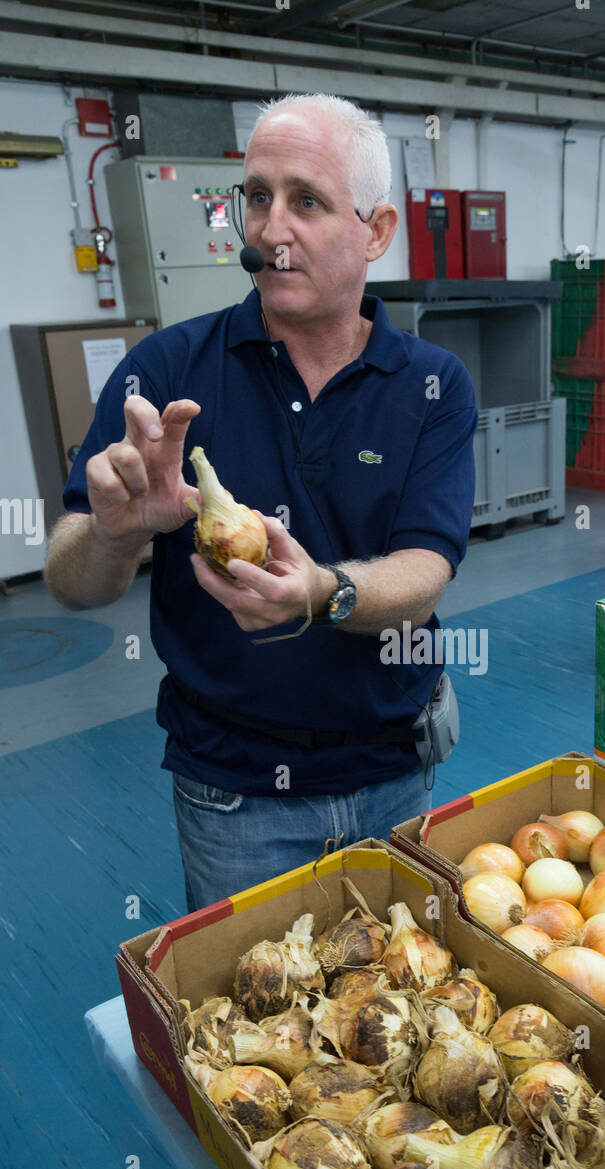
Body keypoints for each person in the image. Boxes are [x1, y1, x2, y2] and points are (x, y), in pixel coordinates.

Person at [44, 93, 477, 912]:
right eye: (255, 197)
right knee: (248, 1025)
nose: (269, 230)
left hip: (395, 774)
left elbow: (426, 568)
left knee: (391, 1016)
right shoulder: (167, 371)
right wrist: (112, 535)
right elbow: (73, 580)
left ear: (375, 231)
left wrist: (322, 595)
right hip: (233, 796)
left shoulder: (431, 385)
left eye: (306, 201)